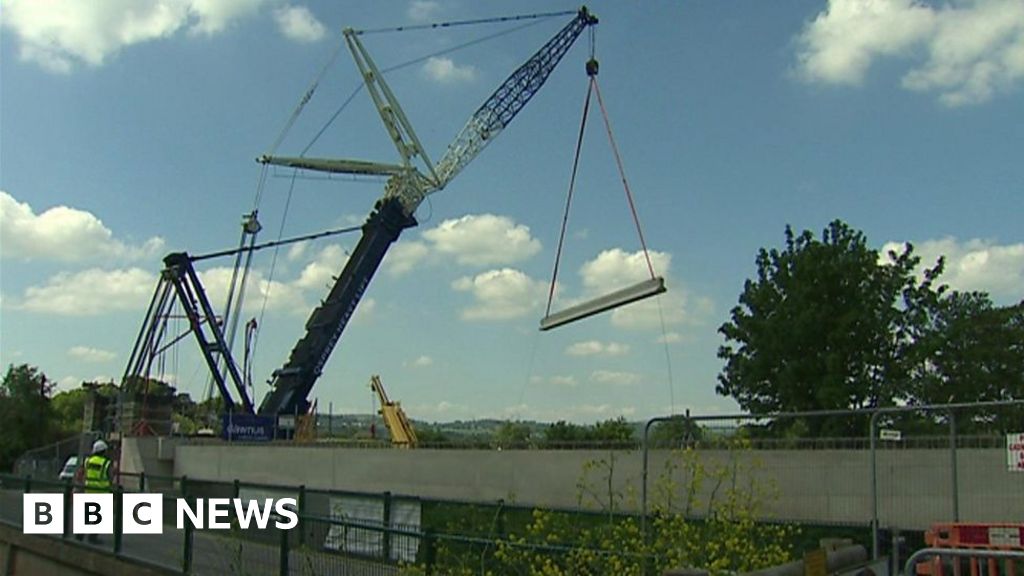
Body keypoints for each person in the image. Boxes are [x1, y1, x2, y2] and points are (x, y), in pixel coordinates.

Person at [77, 439, 115, 544]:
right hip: (101, 492)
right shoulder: (106, 463)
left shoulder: (88, 461)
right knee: (97, 517)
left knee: (86, 513)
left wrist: (79, 486)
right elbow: (111, 476)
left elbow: (81, 473)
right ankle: (92, 537)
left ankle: (80, 535)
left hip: (88, 490)